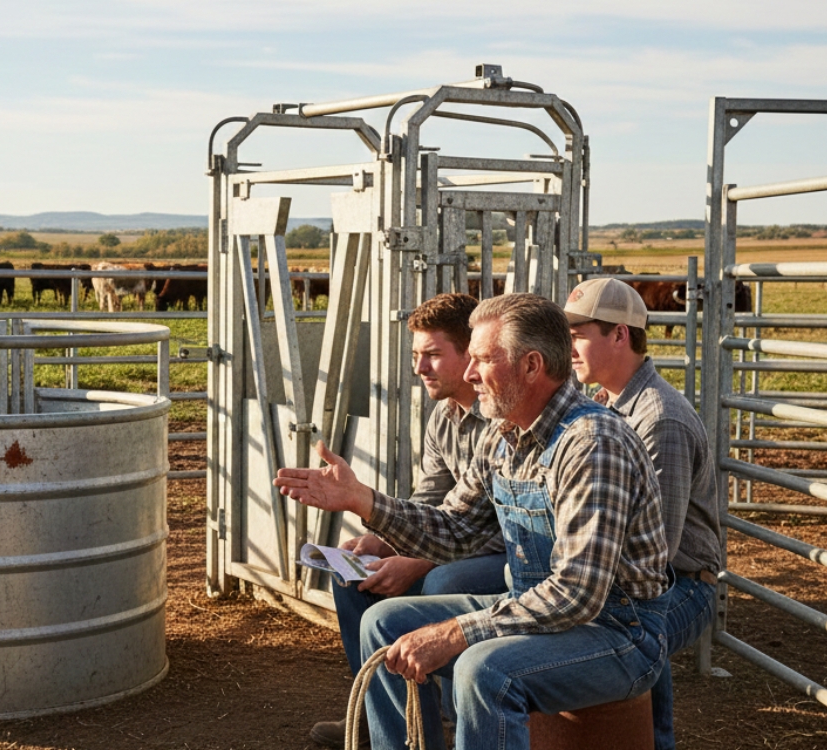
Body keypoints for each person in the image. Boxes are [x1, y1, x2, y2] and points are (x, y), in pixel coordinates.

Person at [275, 293, 671, 750]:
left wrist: (457, 631)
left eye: (482, 358)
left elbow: (577, 594)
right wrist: (364, 501)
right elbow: (454, 529)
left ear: (531, 366)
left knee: (483, 669)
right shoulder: (503, 435)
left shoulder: (592, 444)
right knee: (382, 624)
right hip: (537, 609)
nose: (468, 373)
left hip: (618, 633)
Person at [310, 294, 508, 748]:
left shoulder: (499, 418)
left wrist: (416, 562)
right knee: (352, 574)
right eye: (416, 355)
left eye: (434, 354)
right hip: (456, 540)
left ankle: (454, 719)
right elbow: (430, 499)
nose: (420, 368)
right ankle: (386, 718)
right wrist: (380, 542)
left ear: (469, 354)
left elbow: (492, 525)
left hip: (501, 553)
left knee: (442, 581)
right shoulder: (444, 416)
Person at [564, 277, 720, 750]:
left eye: (579, 334)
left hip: (686, 584)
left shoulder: (659, 420)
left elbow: (660, 554)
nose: (568, 348)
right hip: (648, 575)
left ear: (619, 335)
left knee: (623, 625)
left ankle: (654, 740)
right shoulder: (603, 403)